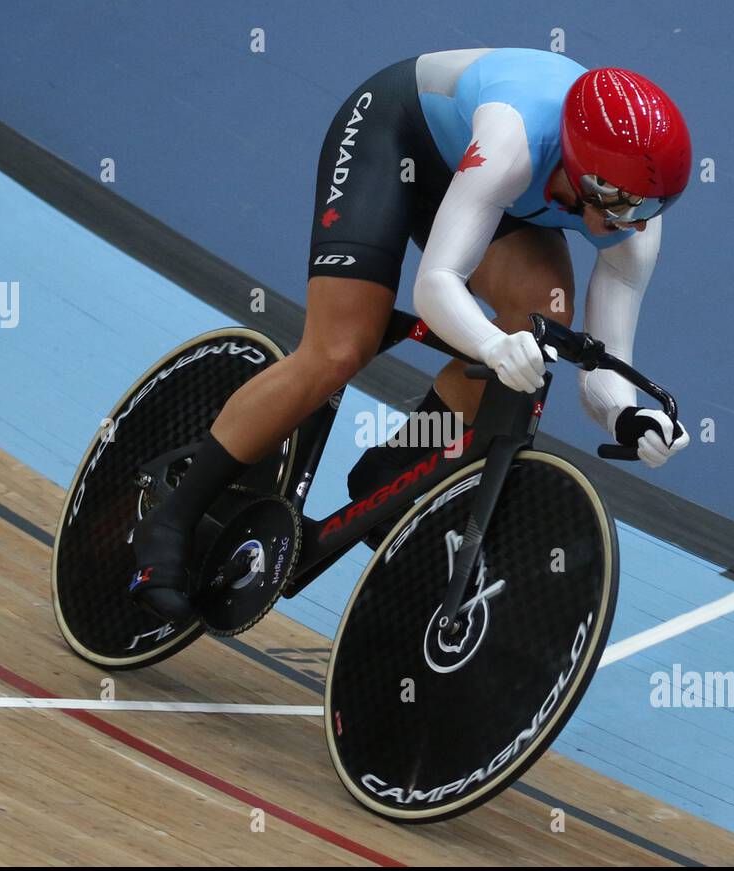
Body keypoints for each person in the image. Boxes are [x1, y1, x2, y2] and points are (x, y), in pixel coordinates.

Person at [130, 48, 693, 622]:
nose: (633, 224)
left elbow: (603, 361)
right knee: (341, 346)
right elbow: (436, 285)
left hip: (492, 189)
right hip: (395, 136)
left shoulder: (633, 215)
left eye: (649, 208)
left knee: (543, 323)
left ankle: (396, 465)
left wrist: (629, 416)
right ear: (582, 166)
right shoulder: (514, 141)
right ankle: (171, 518)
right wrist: (491, 346)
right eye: (622, 207)